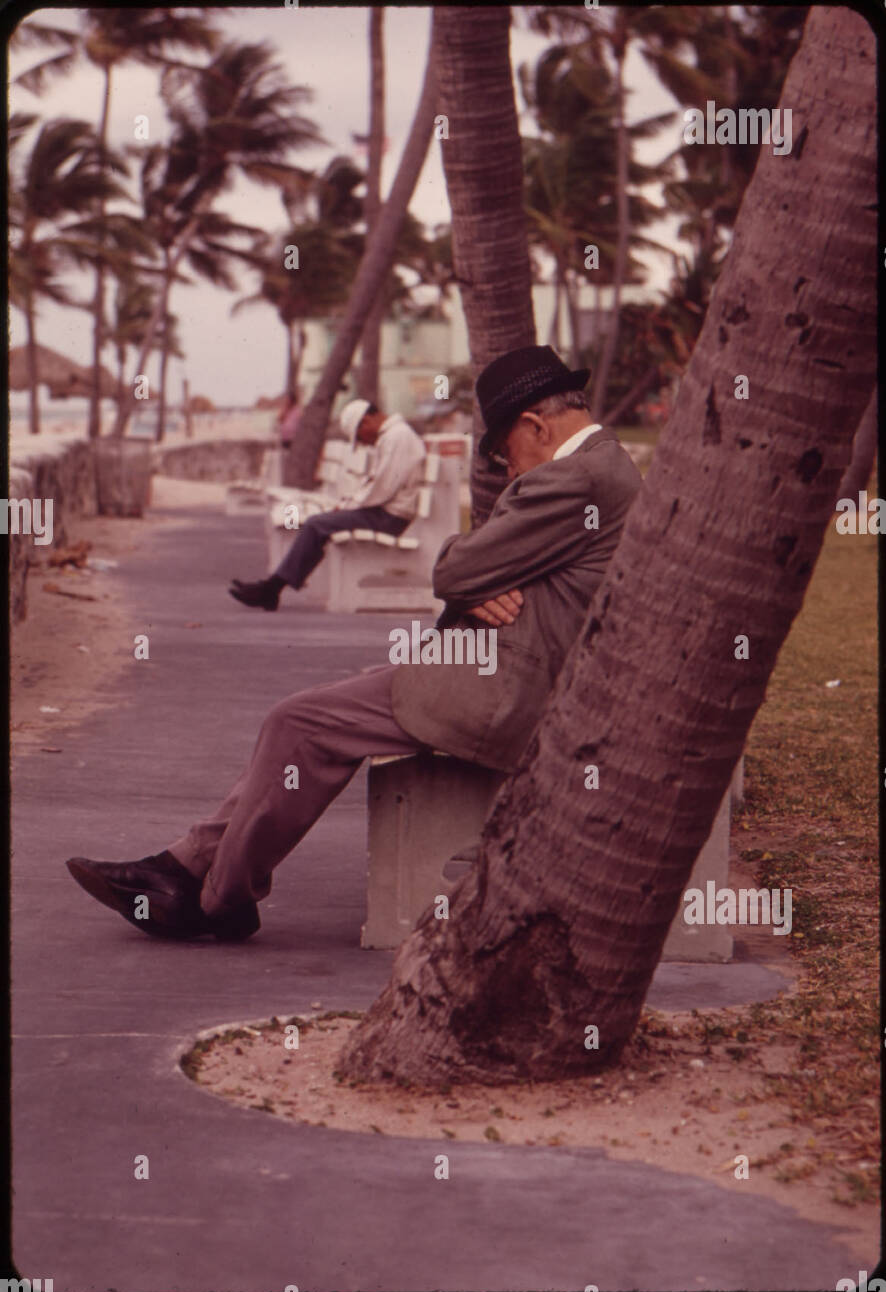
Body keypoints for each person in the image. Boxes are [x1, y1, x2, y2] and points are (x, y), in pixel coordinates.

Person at [67, 346, 643, 941]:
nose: (508, 471)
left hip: (510, 691)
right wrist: (480, 583)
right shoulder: (610, 465)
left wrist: (469, 577)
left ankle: (217, 900)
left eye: (503, 454)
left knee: (300, 722)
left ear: (535, 425)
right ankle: (185, 865)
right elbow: (482, 573)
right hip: (522, 672)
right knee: (317, 710)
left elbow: (455, 569)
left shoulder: (573, 478)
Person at [229, 399, 425, 611]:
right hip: (384, 512)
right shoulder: (394, 436)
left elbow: (384, 486)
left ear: (366, 421)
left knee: (316, 524)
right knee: (320, 524)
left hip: (389, 517)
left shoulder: (397, 437)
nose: (363, 443)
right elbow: (381, 484)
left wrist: (349, 506)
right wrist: (349, 504)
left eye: (359, 437)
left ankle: (271, 589)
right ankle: (271, 588)